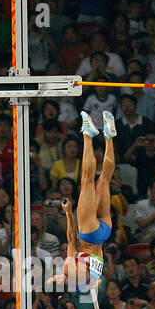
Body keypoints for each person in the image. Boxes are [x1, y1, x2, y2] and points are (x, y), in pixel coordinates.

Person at [47, 110, 119, 292]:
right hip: (89, 234)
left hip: (104, 231)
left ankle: (109, 137)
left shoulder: (91, 277)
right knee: (86, 181)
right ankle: (88, 134)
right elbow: (71, 239)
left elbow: (99, 281)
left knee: (104, 179)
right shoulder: (71, 272)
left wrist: (94, 283)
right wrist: (68, 213)